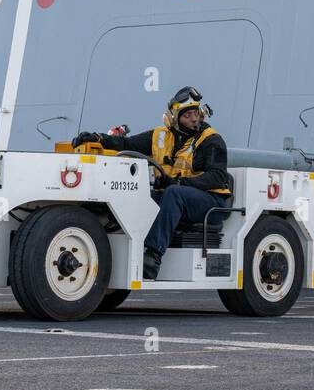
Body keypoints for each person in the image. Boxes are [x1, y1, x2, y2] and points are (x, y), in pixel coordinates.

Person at [73, 87, 233, 280]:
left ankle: (152, 256)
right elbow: (126, 145)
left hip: (212, 201)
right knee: (143, 194)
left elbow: (217, 177)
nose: (194, 119)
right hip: (179, 196)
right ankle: (120, 246)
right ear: (174, 118)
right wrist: (98, 138)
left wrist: (180, 182)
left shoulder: (211, 140)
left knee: (174, 193)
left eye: (196, 114)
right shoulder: (160, 136)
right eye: (188, 115)